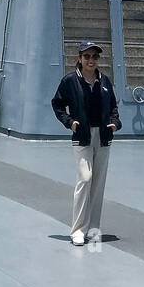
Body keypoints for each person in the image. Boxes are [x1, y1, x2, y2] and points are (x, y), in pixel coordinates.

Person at [51, 39, 120, 247]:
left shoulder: (105, 81)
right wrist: (69, 122)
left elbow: (114, 108)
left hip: (103, 137)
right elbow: (57, 104)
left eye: (95, 56)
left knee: (98, 184)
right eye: (87, 56)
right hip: (82, 136)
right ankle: (78, 230)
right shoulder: (70, 81)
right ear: (79, 59)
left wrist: (115, 123)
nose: (91, 60)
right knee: (85, 178)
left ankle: (93, 228)